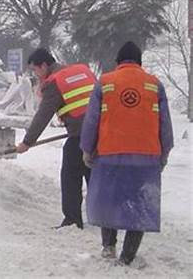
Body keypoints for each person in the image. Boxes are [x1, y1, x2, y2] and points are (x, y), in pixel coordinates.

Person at [80, 41, 174, 265]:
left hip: (110, 154)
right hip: (146, 156)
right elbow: (165, 123)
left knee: (109, 200)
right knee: (139, 204)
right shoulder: (155, 84)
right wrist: (165, 152)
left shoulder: (105, 82)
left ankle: (108, 246)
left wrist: (87, 149)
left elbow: (92, 120)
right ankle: (127, 257)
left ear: (118, 62)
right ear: (140, 63)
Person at [16, 48, 96, 229]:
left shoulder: (54, 83)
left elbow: (43, 115)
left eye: (35, 70)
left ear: (44, 65)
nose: (36, 75)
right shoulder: (82, 71)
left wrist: (27, 142)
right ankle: (102, 216)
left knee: (70, 176)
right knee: (94, 174)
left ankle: (72, 220)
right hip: (100, 132)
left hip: (79, 137)